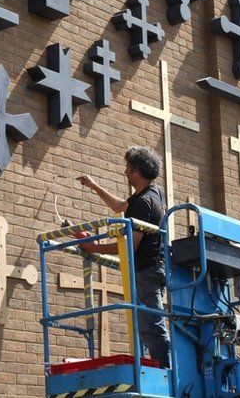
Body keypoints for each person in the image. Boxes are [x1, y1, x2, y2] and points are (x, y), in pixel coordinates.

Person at [75, 146, 172, 369]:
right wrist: (93, 186)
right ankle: (153, 369)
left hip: (146, 270)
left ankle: (165, 373)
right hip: (152, 268)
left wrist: (95, 247)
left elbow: (130, 245)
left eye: (128, 168)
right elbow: (120, 206)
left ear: (136, 171)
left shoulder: (143, 203)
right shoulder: (152, 194)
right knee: (144, 323)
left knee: (152, 326)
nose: (125, 172)